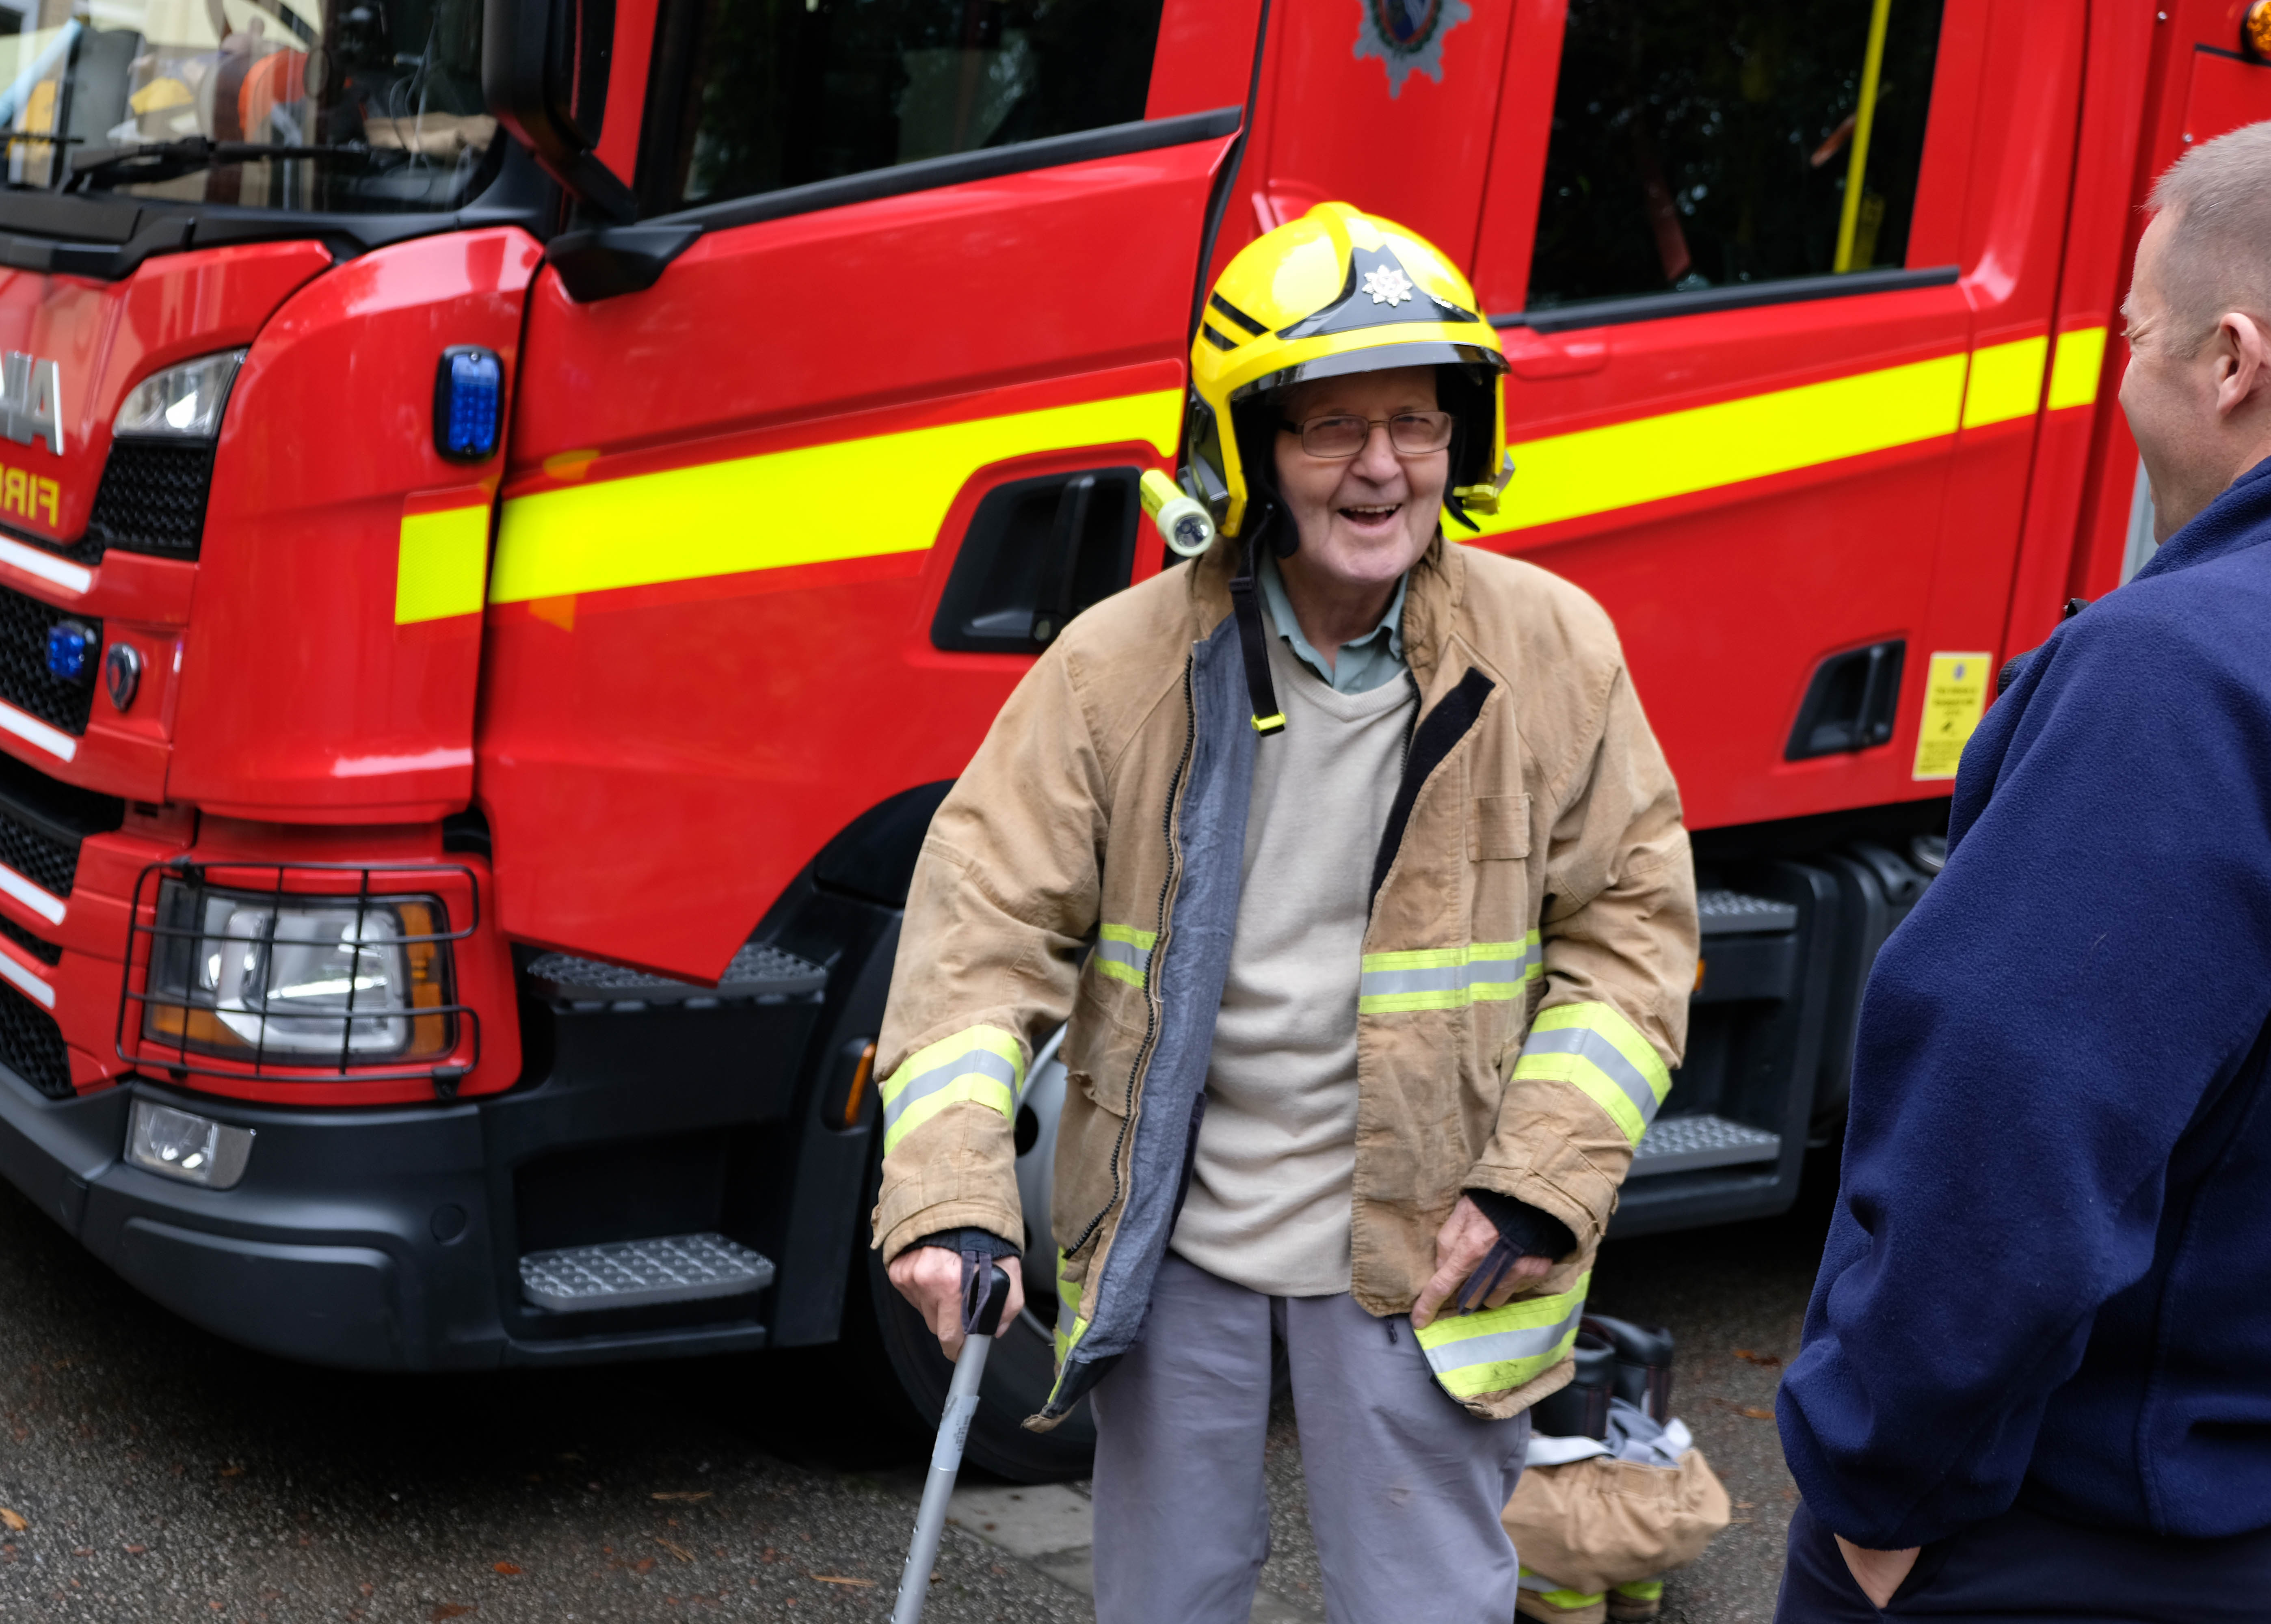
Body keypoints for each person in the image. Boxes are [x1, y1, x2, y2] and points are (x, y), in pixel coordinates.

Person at [872, 203, 1696, 1624]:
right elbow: (975, 933)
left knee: (1424, 1603)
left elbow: (1633, 936)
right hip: (1175, 1242)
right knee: (1167, 1604)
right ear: (1247, 451)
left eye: (1417, 423)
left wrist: (1538, 1182)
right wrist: (949, 1195)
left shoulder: (1554, 652)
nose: (1382, 467)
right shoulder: (1114, 670)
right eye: (1329, 427)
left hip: (1432, 1239)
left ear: (1467, 441)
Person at [1774, 121, 2271, 1620]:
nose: (2122, 374)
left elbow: (2010, 1143)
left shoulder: (2176, 682)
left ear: (2232, 359)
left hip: (2085, 1540)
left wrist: (1881, 1486)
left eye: (2133, 334)